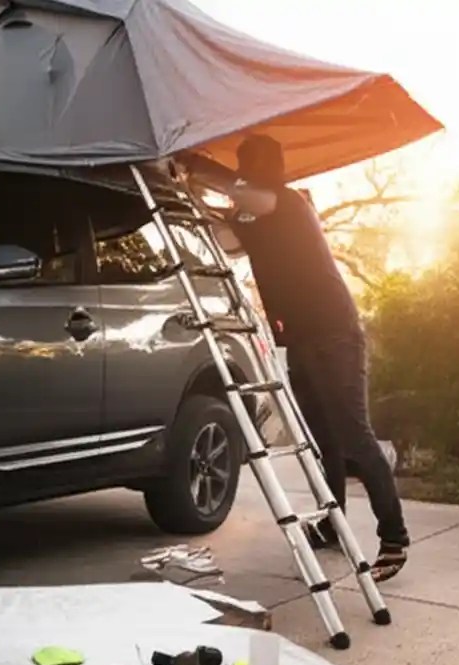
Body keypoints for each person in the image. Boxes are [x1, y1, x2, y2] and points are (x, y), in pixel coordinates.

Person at [164, 135, 410, 582]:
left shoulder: (291, 203)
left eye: (251, 167)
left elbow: (246, 193)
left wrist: (196, 164)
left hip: (336, 334)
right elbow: (226, 239)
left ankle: (394, 539)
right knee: (323, 440)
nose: (246, 175)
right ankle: (332, 526)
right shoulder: (251, 216)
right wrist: (186, 192)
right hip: (299, 337)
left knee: (354, 436)